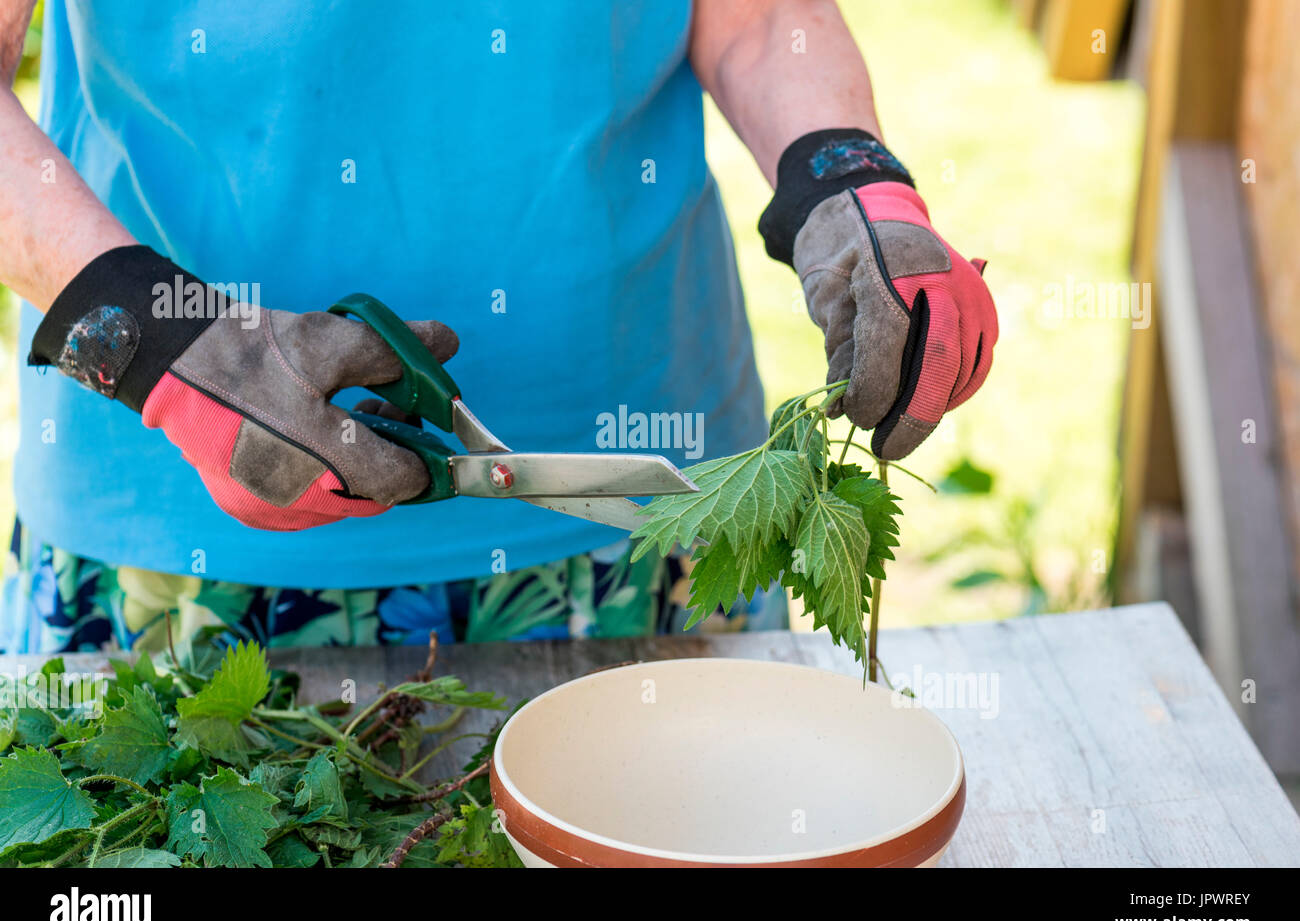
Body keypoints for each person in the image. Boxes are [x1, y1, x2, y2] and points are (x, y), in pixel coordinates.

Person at [0, 0, 996, 654]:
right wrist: (153, 342)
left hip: (652, 516)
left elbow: (755, 17)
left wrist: (844, 174)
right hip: (181, 552)